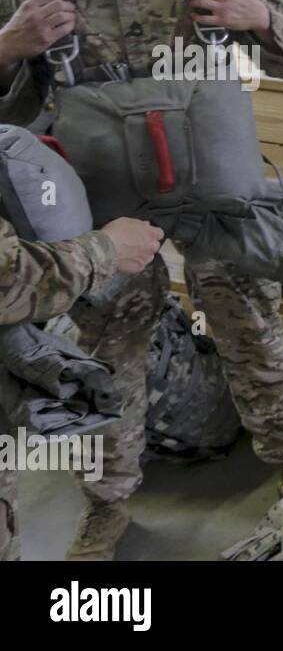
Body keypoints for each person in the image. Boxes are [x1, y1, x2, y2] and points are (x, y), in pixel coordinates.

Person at [0, 0, 283, 560]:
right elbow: (11, 113)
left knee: (253, 336)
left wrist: (260, 16)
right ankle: (108, 504)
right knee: (110, 356)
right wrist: (10, 44)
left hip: (214, 191)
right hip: (108, 205)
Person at [0, 213, 164, 561]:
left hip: (83, 244)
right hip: (68, 259)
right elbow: (7, 277)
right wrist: (104, 250)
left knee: (104, 375)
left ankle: (108, 502)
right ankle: (107, 503)